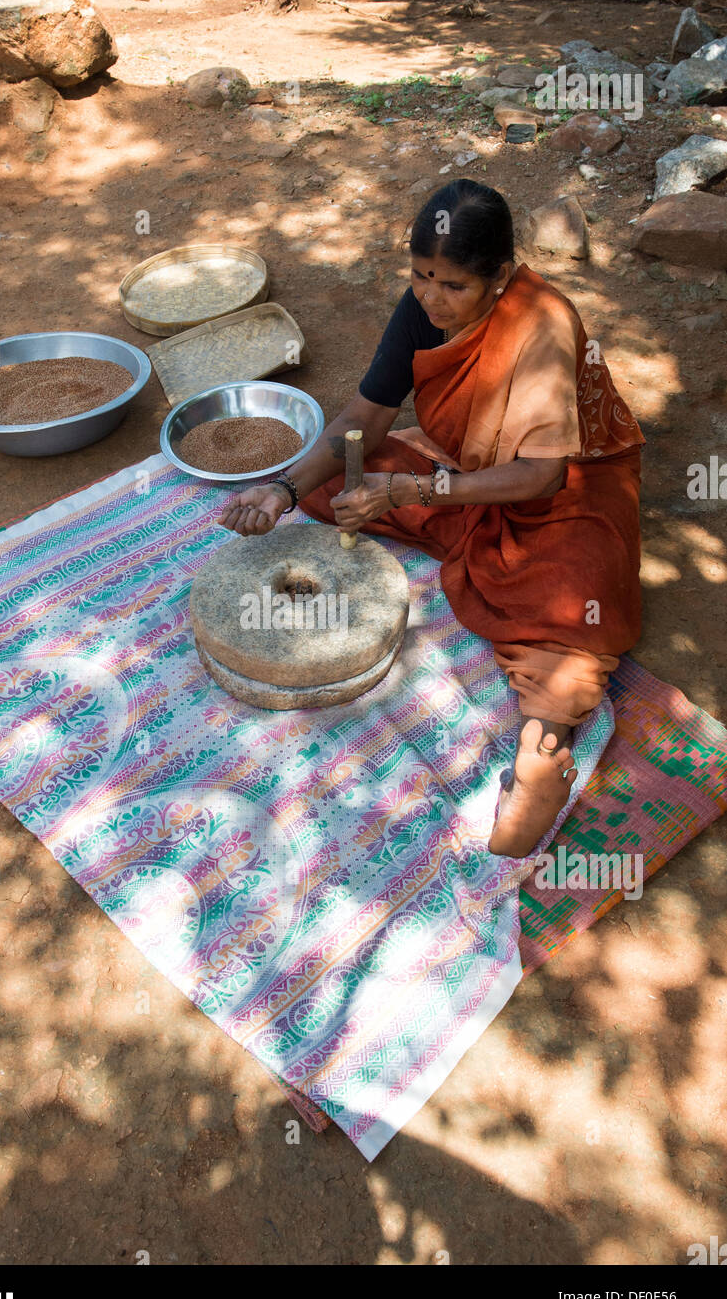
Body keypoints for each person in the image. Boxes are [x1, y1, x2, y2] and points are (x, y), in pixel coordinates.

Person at [216, 179, 644, 858]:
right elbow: (363, 418)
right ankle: (427, 512)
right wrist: (283, 490)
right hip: (465, 470)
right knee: (338, 481)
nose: (430, 297)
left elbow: (541, 474)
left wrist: (408, 491)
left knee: (577, 599)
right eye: (419, 276)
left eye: (452, 286)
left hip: (571, 488)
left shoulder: (543, 326)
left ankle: (540, 753)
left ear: (500, 277)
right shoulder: (421, 309)